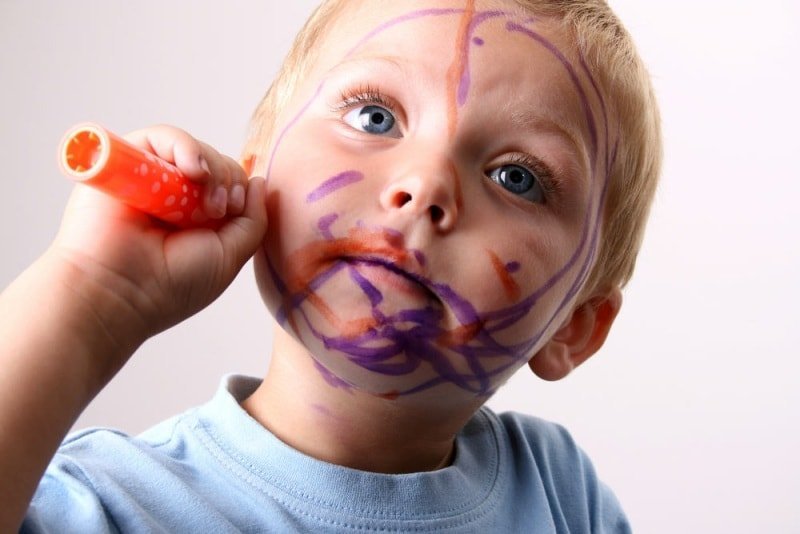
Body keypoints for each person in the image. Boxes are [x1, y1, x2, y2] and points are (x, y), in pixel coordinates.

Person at [1, 0, 661, 531]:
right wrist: (89, 296)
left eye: (516, 177)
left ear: (574, 325)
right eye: (375, 116)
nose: (425, 183)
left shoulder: (555, 490)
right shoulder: (107, 506)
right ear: (254, 172)